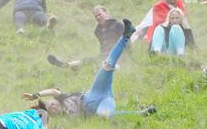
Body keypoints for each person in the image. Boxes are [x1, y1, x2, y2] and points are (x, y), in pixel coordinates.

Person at [28, 19, 156, 119]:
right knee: (105, 115)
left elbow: (53, 91)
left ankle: (126, 36)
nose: (53, 106)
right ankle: (140, 113)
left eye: (51, 103)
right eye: (51, 109)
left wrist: (36, 95)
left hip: (93, 94)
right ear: (50, 114)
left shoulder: (64, 98)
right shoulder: (65, 119)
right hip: (105, 100)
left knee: (107, 65)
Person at [47, 6, 123, 69]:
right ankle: (66, 65)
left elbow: (127, 42)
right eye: (96, 16)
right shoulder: (98, 31)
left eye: (100, 14)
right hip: (103, 57)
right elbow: (103, 46)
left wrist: (126, 57)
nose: (98, 17)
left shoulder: (118, 25)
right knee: (87, 60)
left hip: (117, 58)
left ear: (106, 13)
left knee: (111, 66)